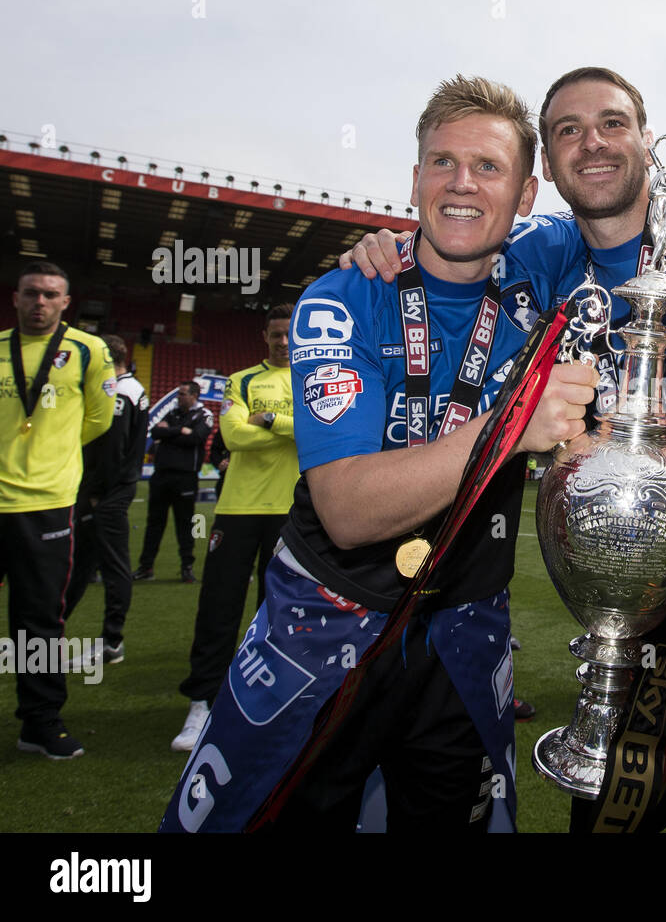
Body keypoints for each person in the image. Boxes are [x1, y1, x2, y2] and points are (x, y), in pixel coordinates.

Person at [344, 66, 666, 832]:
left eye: (612, 123)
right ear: (547, 169)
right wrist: (386, 250)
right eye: (568, 130)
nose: (592, 142)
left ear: (645, 139)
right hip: (617, 571)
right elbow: (453, 247)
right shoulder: (542, 255)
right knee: (609, 816)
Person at [160, 74, 598, 832]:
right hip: (328, 619)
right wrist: (510, 425)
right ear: (416, 177)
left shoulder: (548, 260)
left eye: (489, 168)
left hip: (465, 626)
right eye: (442, 163)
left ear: (528, 196)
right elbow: (349, 510)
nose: (462, 185)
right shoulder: (344, 294)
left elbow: (631, 215)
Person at [1, 261, 116, 758]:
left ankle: (40, 721)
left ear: (66, 302)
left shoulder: (90, 351)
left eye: (51, 295)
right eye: (32, 293)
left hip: (47, 506)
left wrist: (52, 458)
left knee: (40, 621)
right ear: (16, 297)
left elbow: (97, 419)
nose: (40, 303)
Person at [171, 304, 298, 752]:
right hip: (238, 509)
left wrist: (268, 419)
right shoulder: (241, 380)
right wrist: (288, 427)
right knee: (218, 606)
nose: (283, 342)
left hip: (292, 511)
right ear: (264, 336)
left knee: (279, 612)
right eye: (276, 335)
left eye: (289, 334)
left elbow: (316, 430)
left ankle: (269, 699)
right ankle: (202, 702)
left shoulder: (312, 375)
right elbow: (233, 437)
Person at [64, 334, 150, 668]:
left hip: (108, 492)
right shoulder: (133, 389)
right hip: (112, 488)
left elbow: (112, 451)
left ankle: (112, 641)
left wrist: (97, 492)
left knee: (112, 565)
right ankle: (48, 632)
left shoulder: (120, 391)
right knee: (81, 563)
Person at [134, 380, 212, 583]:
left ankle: (187, 567)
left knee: (184, 524)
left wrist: (170, 432)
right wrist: (180, 431)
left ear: (194, 395)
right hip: (161, 475)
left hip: (185, 476)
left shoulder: (204, 415)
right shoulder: (173, 413)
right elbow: (156, 433)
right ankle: (146, 567)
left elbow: (196, 438)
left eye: (183, 394)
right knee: (154, 523)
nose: (179, 397)